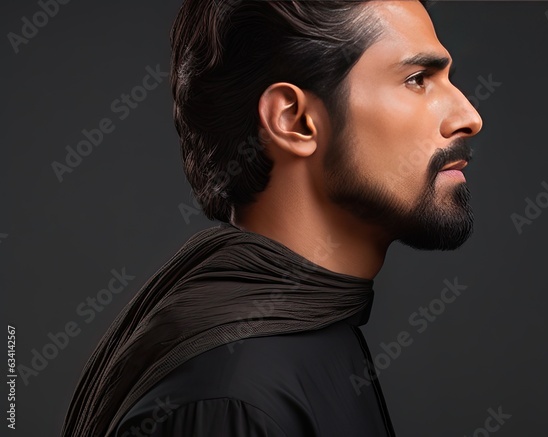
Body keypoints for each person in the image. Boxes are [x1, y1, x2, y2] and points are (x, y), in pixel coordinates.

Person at [61, 0, 483, 435]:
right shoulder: (232, 397)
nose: (469, 117)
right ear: (294, 121)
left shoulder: (313, 335)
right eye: (417, 80)